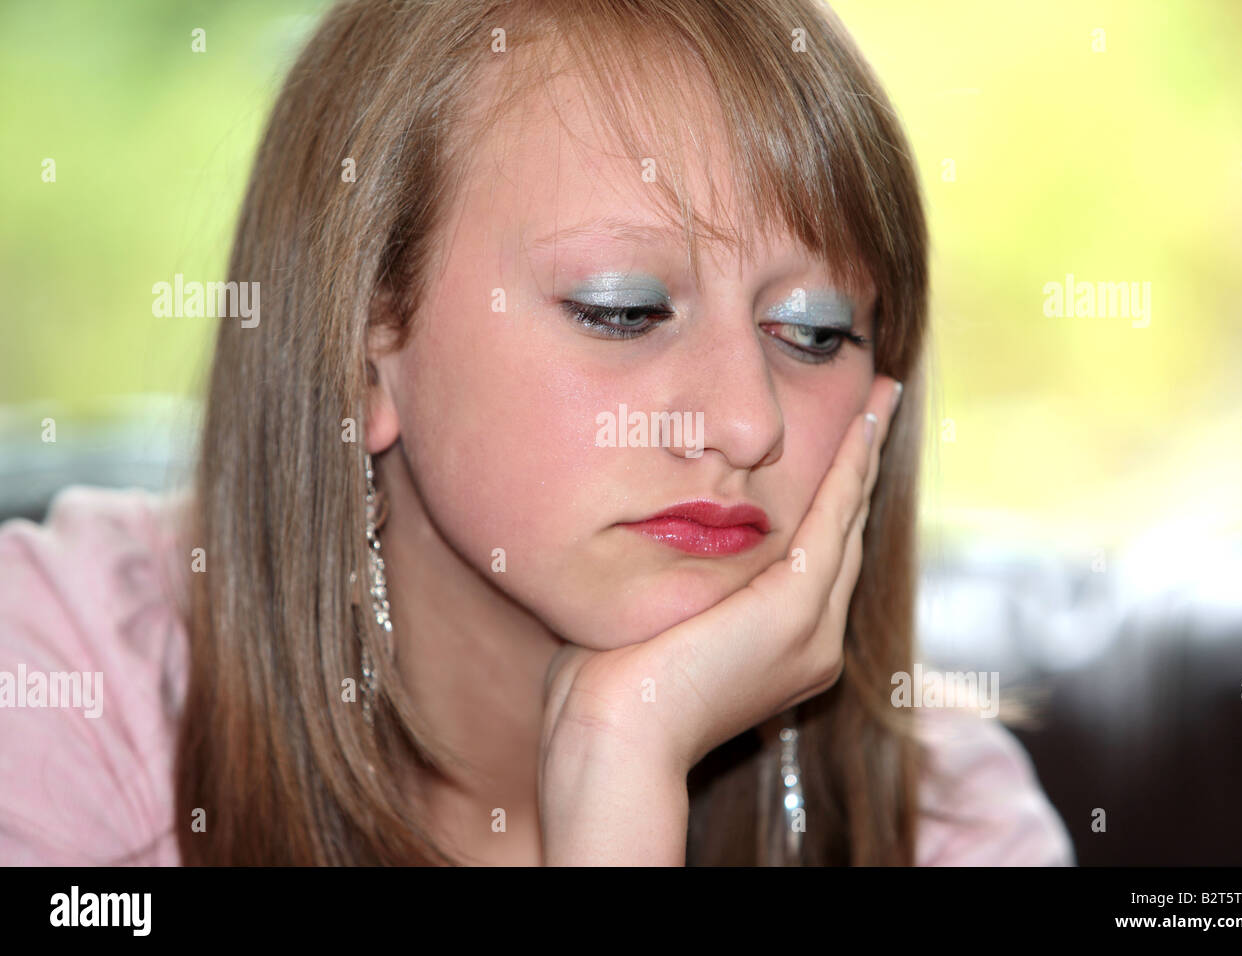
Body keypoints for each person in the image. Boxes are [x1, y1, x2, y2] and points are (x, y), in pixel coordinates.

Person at [0, 0, 1074, 866]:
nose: (746, 421)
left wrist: (622, 764)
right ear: (364, 338)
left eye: (813, 330)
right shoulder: (59, 685)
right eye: (622, 309)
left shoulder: (945, 826)